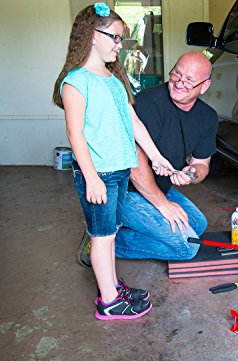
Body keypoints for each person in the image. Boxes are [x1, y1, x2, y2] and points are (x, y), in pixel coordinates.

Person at [52, 3, 175, 320]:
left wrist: (158, 157)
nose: (120, 46)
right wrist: (91, 177)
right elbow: (75, 133)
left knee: (110, 233)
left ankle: (110, 287)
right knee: (102, 237)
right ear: (92, 35)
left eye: (122, 40)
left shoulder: (114, 79)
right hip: (100, 174)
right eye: (116, 38)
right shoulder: (76, 81)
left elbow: (134, 123)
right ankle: (109, 302)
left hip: (119, 171)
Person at [76, 50, 218, 265]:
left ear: (204, 86)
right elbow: (133, 165)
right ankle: (100, 240)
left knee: (197, 225)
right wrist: (163, 205)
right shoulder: (149, 102)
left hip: (158, 186)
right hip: (126, 191)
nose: (179, 83)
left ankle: (126, 227)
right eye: (176, 74)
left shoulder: (207, 116)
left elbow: (202, 164)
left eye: (189, 81)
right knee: (187, 247)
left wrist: (191, 174)